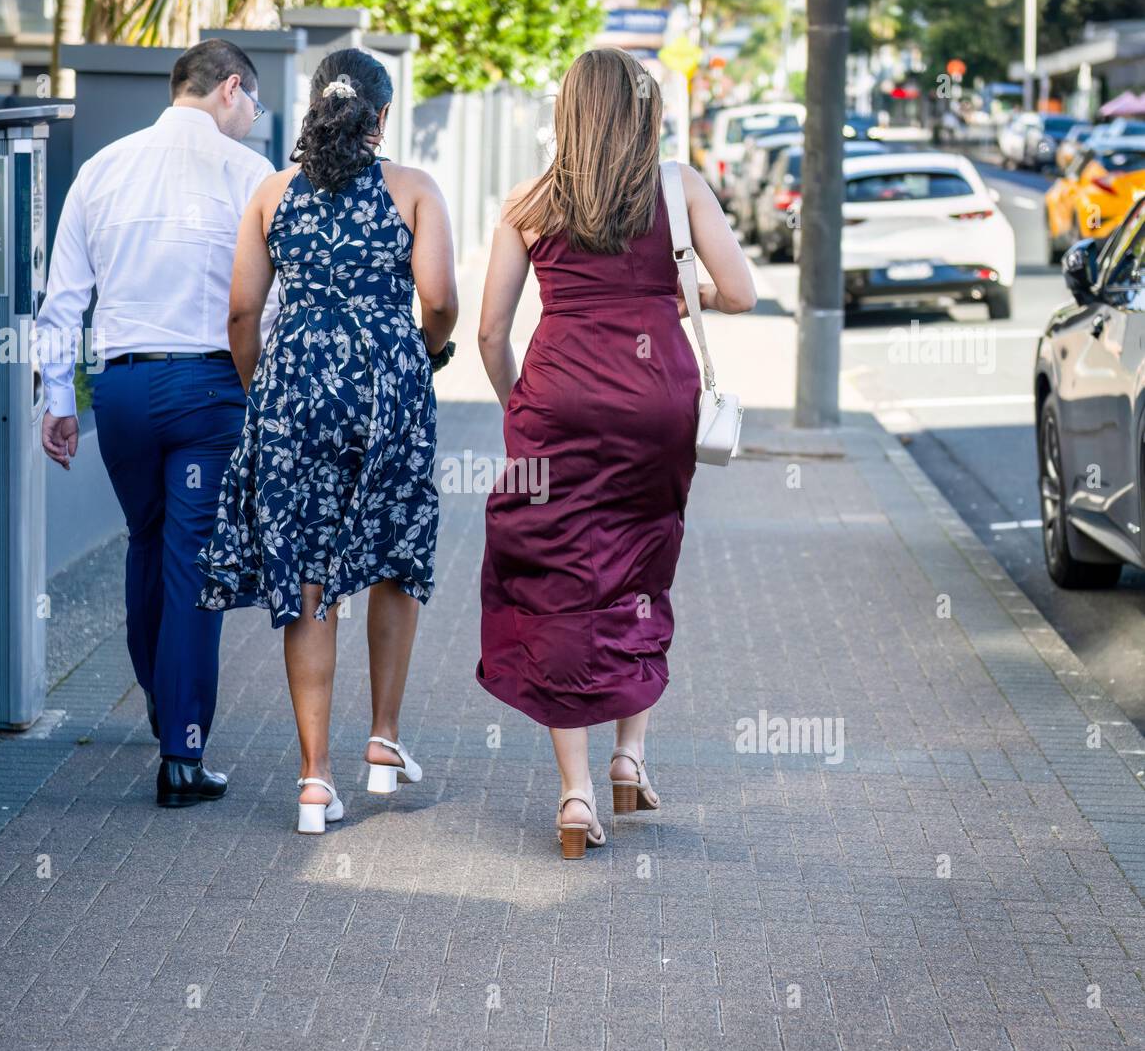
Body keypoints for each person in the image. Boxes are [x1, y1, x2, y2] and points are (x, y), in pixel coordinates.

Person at [475, 48, 756, 858]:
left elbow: (491, 331)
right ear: (645, 112)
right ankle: (629, 757)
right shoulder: (680, 187)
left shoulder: (530, 201)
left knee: (559, 578)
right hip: (656, 403)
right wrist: (683, 289)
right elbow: (741, 291)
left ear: (569, 111)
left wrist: (517, 404)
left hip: (555, 405)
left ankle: (574, 795)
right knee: (640, 568)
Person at [197, 47, 458, 835]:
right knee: (394, 554)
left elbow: (242, 316)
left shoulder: (272, 193)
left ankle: (314, 781)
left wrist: (263, 389)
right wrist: (426, 349)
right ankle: (383, 739)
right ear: (381, 116)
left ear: (314, 109)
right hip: (389, 392)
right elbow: (441, 299)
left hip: (293, 395)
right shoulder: (411, 189)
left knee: (308, 577)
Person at [37, 39, 278, 808]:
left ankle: (160, 692)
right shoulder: (250, 178)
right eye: (254, 104)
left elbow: (62, 300)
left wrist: (59, 400)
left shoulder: (101, 168)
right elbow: (266, 305)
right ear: (230, 90)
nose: (253, 119)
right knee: (193, 565)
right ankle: (182, 751)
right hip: (210, 389)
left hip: (124, 391)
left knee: (147, 542)